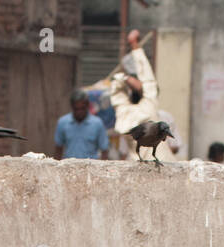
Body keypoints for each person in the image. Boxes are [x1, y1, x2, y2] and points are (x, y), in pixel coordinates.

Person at [110, 29, 173, 163]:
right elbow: (147, 82)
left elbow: (146, 81)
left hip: (158, 164)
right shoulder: (129, 110)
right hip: (143, 167)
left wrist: (125, 78)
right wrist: (126, 78)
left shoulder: (136, 108)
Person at [54, 90, 109, 160]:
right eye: (76, 109)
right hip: (69, 167)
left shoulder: (97, 123)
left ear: (87, 106)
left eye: (82, 108)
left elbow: (104, 150)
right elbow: (58, 149)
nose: (79, 112)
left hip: (91, 167)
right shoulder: (62, 122)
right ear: (72, 107)